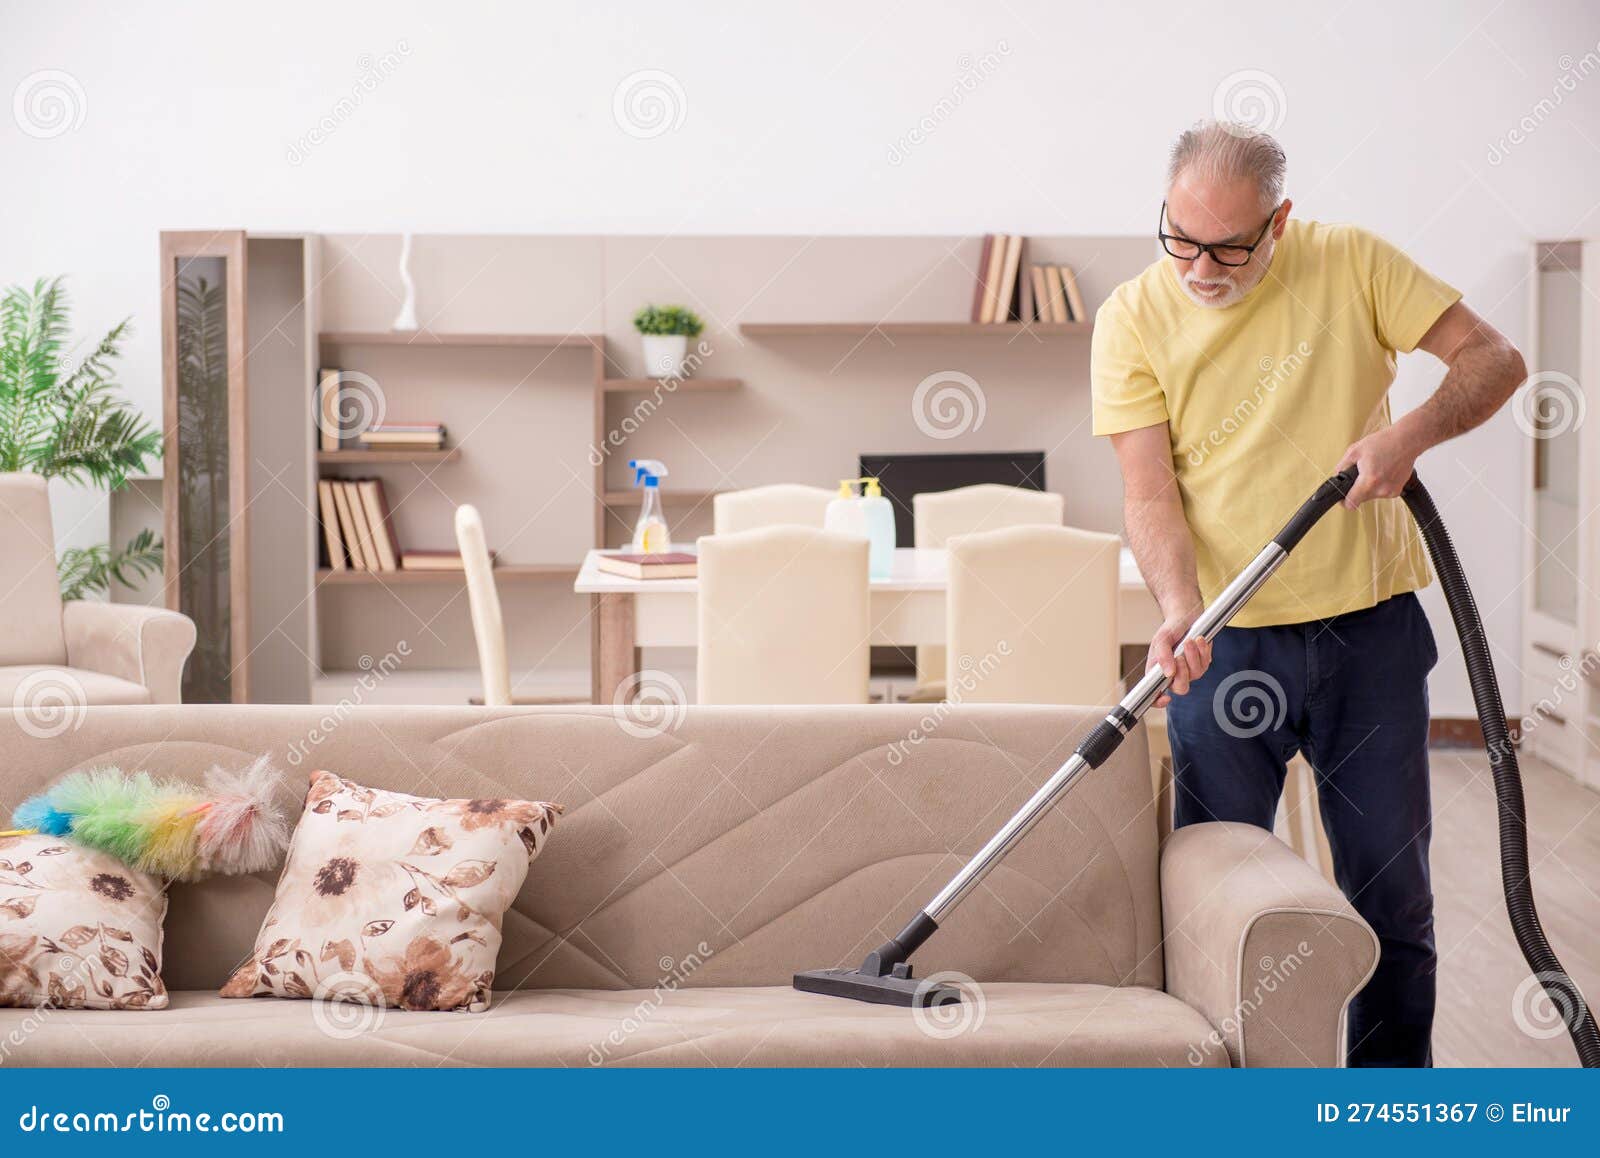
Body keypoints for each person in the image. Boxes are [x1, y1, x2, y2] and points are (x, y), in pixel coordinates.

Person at [1090, 120, 1526, 1066]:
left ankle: (1384, 1110)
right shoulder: (1131, 315)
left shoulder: (1352, 263)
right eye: (1178, 238)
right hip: (1224, 640)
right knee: (1216, 902)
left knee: (1389, 899)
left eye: (1229, 247)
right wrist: (1176, 609)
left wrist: (1407, 436)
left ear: (1280, 222)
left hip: (1367, 636)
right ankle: (1240, 1105)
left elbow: (1495, 360)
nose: (1199, 269)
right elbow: (1148, 490)